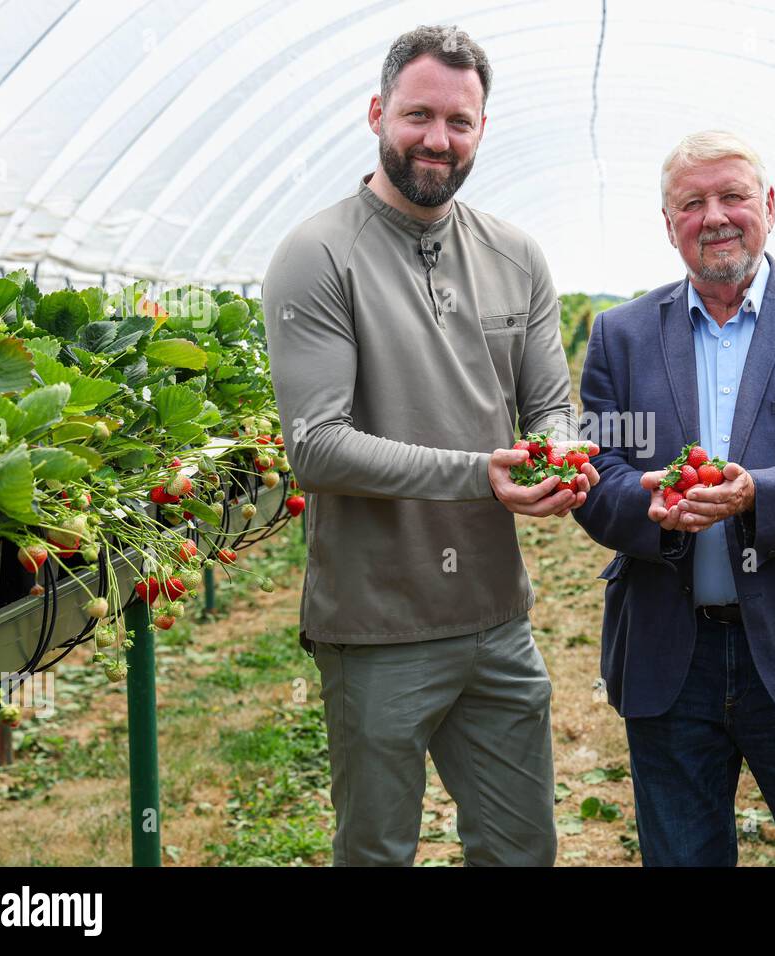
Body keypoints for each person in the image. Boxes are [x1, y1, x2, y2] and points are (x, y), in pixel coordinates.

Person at [262, 24, 596, 866]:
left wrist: (558, 453)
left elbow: (551, 402)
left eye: (460, 121)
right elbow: (319, 447)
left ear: (482, 130)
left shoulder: (516, 256)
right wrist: (482, 475)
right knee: (378, 852)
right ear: (379, 113)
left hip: (495, 616)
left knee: (523, 848)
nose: (437, 139)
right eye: (418, 115)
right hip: (378, 624)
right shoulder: (318, 254)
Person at [572, 130, 775, 866]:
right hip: (670, 652)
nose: (714, 216)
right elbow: (597, 474)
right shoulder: (620, 336)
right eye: (692, 203)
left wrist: (760, 494)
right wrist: (647, 508)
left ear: (769, 206)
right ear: (669, 226)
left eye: (732, 196)